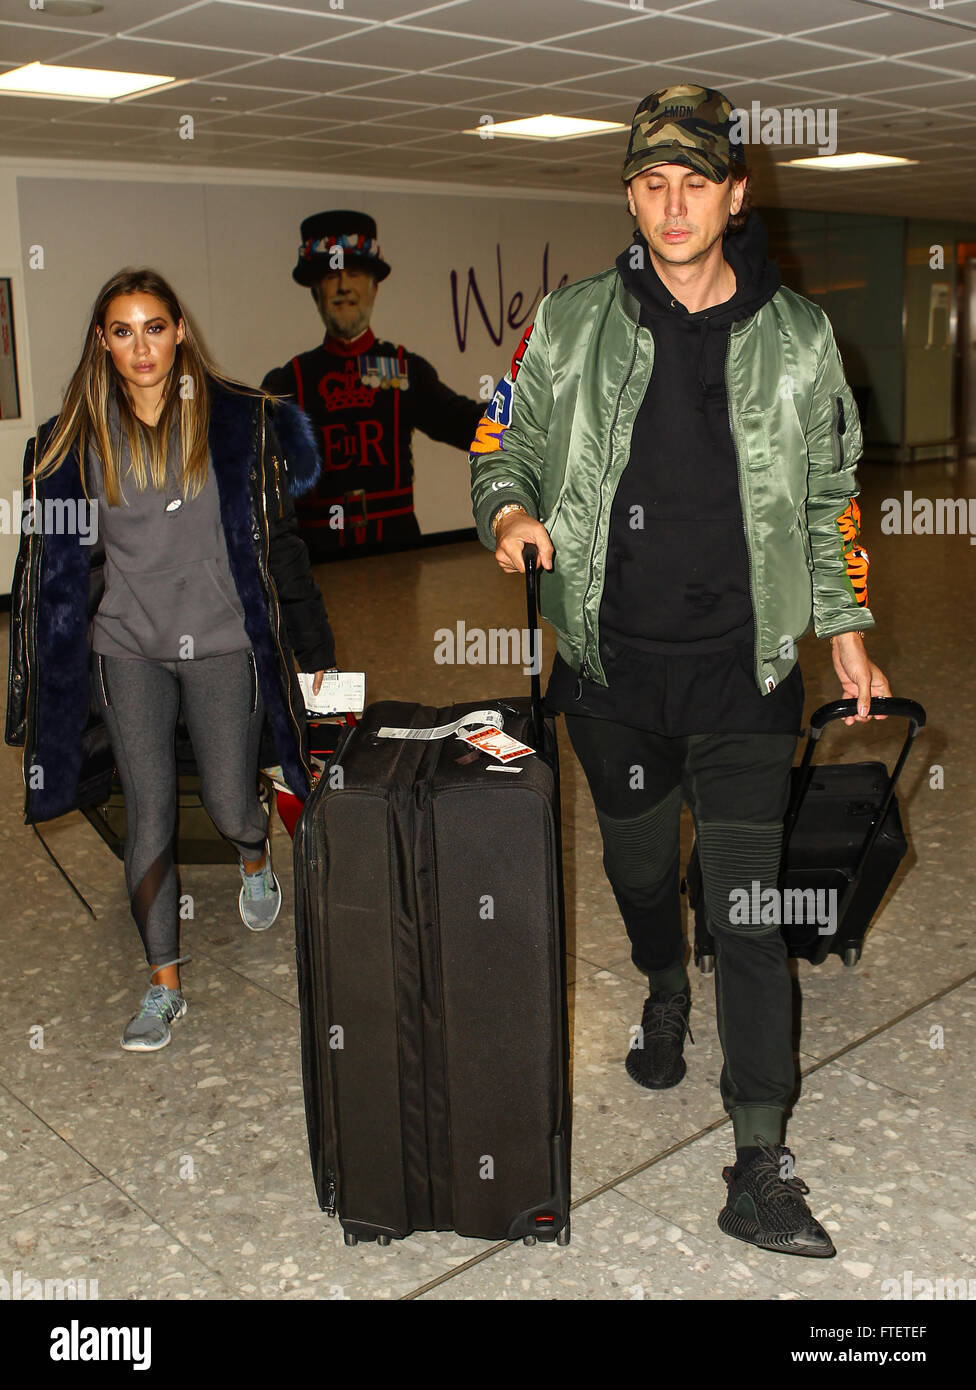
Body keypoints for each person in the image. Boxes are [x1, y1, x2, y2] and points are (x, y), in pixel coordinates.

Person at [470, 84, 892, 1259]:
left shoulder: (801, 338)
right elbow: (501, 438)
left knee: (748, 912)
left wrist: (845, 618)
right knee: (642, 869)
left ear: (734, 196)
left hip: (745, 674)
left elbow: (826, 496)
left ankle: (760, 1156)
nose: (670, 206)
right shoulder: (566, 324)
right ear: (628, 195)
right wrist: (507, 514)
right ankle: (661, 976)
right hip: (609, 675)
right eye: (650, 184)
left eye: (693, 183)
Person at [5, 267, 336, 1052]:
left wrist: (320, 666)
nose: (141, 346)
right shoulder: (73, 442)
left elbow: (281, 551)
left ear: (180, 330)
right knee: (147, 811)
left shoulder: (238, 426)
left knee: (226, 804)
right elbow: (50, 574)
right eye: (123, 331)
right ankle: (163, 985)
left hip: (223, 643)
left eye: (154, 326)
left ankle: (254, 854)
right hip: (128, 649)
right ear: (103, 342)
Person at [262, 210, 484, 560]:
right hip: (321, 563)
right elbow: (255, 471)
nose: (343, 286)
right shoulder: (288, 381)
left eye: (354, 274)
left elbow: (467, 425)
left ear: (374, 288)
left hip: (398, 556)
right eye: (331, 277)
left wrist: (535, 413)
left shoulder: (404, 369)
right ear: (315, 293)